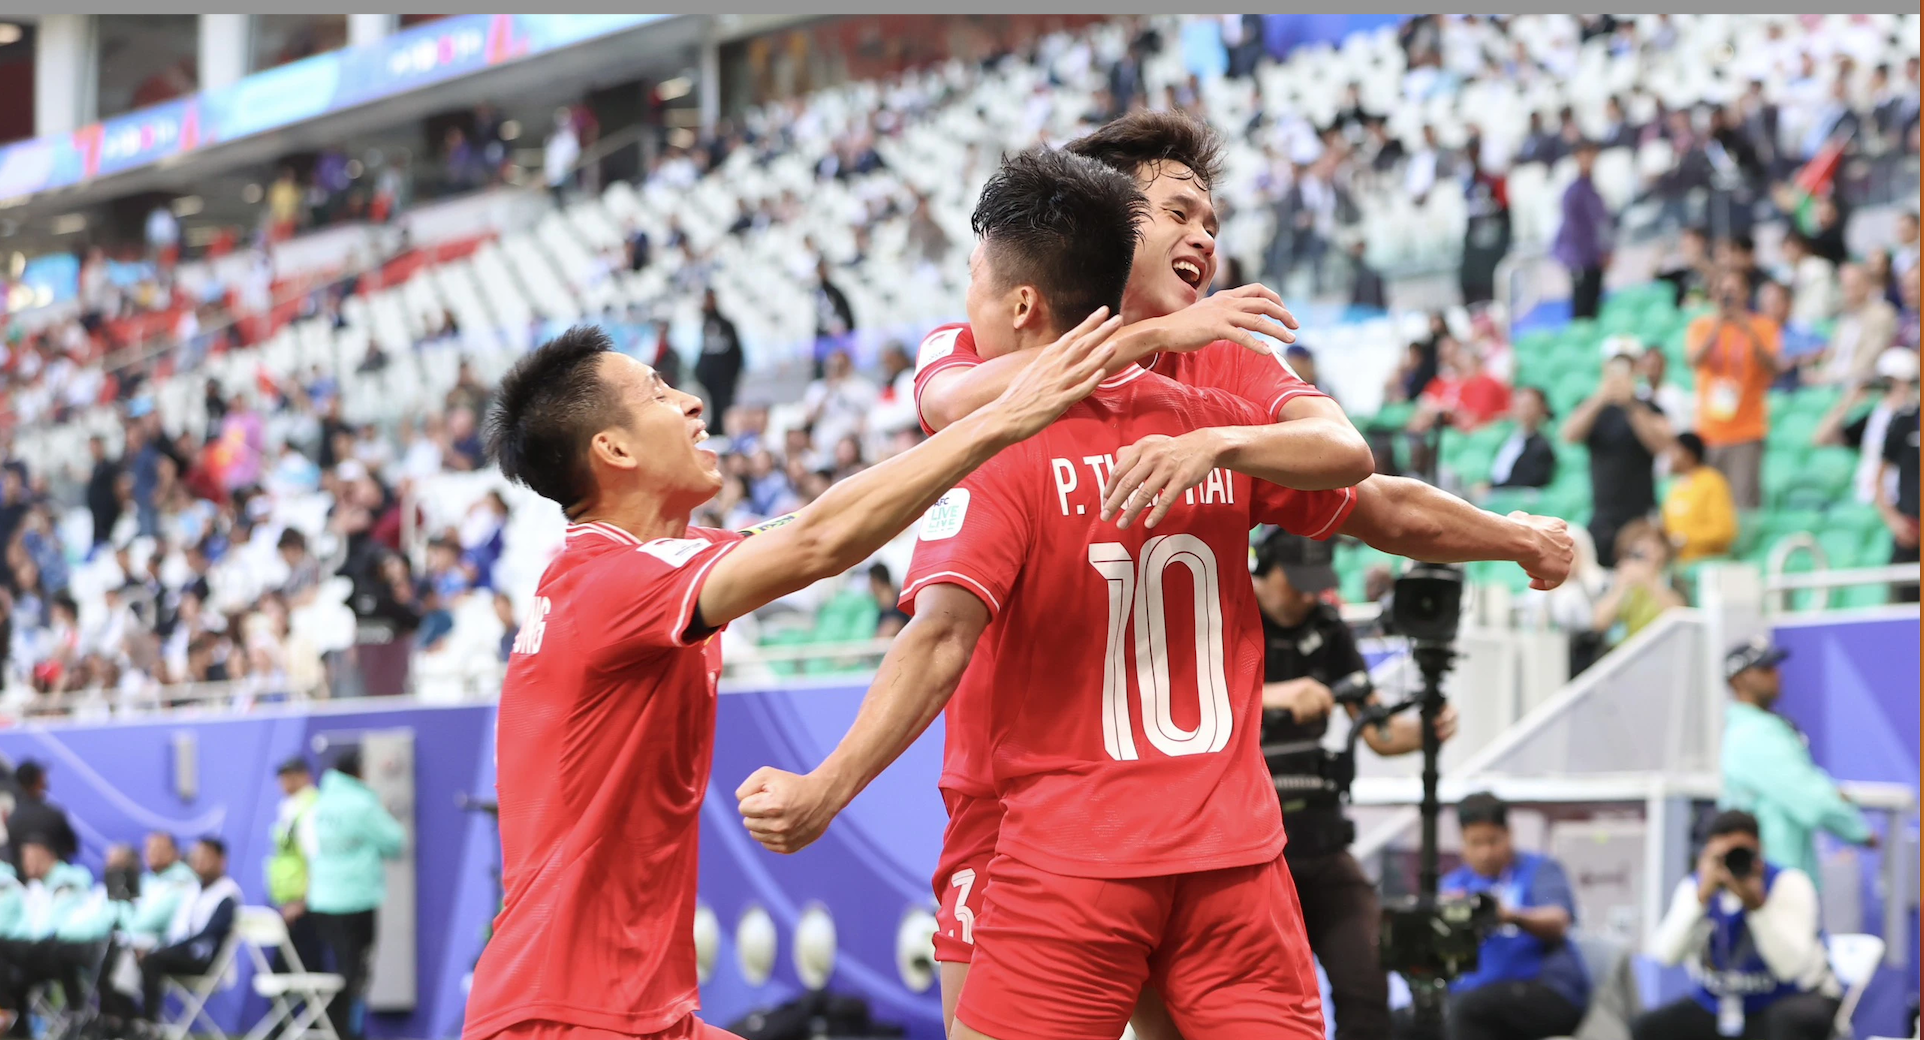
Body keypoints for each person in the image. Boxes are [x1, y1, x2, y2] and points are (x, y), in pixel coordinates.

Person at [733, 144, 1573, 1040]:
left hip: (1084, 842)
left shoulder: (1202, 393)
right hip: (1078, 819)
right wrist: (1152, 352)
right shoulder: (1006, 374)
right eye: (1177, 213)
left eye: (1211, 220)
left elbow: (1364, 482)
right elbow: (957, 404)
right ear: (1110, 227)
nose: (1203, 237)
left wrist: (1513, 536)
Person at [458, 267, 1121, 1038]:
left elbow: (813, 525)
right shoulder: (608, 585)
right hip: (567, 1015)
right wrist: (1000, 420)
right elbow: (819, 542)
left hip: (630, 1010)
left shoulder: (642, 567)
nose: (691, 401)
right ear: (613, 448)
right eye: (658, 393)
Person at [1254, 530, 1457, 1040]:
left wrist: (1424, 730)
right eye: (1294, 583)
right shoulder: (1221, 614)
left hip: (1321, 838)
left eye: (1315, 585)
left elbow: (1377, 733)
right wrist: (1278, 696)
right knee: (1263, 1001)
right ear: (1261, 567)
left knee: (1366, 986)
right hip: (1250, 847)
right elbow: (1190, 706)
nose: (1305, 595)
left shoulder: (1327, 627)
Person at [1634, 810, 1839, 1040]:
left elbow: (1791, 969)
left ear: (1759, 851)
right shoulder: (1695, 888)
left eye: (1741, 854)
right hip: (1719, 1004)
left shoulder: (1789, 884)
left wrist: (1758, 907)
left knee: (1787, 1024)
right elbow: (1665, 955)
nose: (1732, 864)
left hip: (1786, 999)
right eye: (1721, 857)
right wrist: (1699, 900)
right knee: (1649, 1027)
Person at [1420, 793, 1589, 1040]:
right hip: (1472, 995)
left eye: (1493, 841)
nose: (1485, 853)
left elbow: (1558, 921)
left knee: (1470, 1009)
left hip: (1542, 991)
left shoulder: (1540, 870)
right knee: (1408, 1019)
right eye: (1475, 843)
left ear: (1509, 833)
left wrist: (1509, 916)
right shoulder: (1454, 885)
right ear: (1462, 842)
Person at [1719, 637, 1876, 882]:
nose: (1776, 674)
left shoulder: (1753, 730)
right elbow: (1811, 798)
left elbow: (1808, 785)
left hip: (1775, 880)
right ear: (1739, 680)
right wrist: (1860, 832)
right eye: (1765, 669)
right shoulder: (1754, 734)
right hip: (1771, 883)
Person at [307, 750, 404, 1040]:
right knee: (354, 977)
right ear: (359, 770)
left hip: (320, 901)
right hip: (355, 903)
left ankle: (327, 1032)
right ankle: (349, 1034)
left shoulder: (320, 802)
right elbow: (396, 842)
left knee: (329, 976)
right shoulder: (362, 804)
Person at [1562, 355, 1674, 567]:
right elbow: (1569, 434)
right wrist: (1601, 397)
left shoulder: (1648, 407)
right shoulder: (1597, 409)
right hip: (1603, 515)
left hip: (1640, 515)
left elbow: (1662, 445)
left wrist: (1631, 404)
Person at [1687, 269, 1781, 509]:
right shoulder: (1702, 326)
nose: (1727, 297)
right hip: (1709, 431)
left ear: (1745, 293)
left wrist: (1747, 328)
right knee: (1713, 504)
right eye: (1722, 291)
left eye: (1733, 291)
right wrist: (1717, 327)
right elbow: (1693, 360)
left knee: (1743, 502)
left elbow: (1773, 366)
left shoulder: (1763, 325)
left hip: (1746, 430)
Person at [128, 838, 240, 1024]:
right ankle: (123, 1018)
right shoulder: (193, 889)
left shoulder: (228, 895)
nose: (199, 861)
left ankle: (149, 1025)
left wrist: (163, 950)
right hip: (178, 950)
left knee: (154, 959)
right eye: (197, 857)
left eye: (206, 857)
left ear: (221, 860)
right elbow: (177, 930)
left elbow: (208, 935)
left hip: (203, 960)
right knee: (131, 954)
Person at [265, 757, 324, 973]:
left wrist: (302, 901)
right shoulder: (288, 807)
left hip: (305, 905)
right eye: (282, 777)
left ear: (304, 776)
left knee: (307, 970)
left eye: (291, 776)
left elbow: (316, 859)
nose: (285, 782)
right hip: (290, 903)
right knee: (289, 971)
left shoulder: (311, 808)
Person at [1592, 520, 1685, 643]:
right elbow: (1598, 623)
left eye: (1653, 545)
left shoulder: (1674, 579)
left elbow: (1680, 614)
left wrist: (1650, 581)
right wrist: (1621, 587)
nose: (1647, 551)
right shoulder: (1617, 579)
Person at [1808, 263, 1899, 387]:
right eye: (1845, 285)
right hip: (1830, 380)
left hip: (1857, 383)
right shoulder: (1845, 317)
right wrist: (1819, 373)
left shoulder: (1882, 314)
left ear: (1867, 285)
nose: (1849, 289)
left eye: (1854, 284)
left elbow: (1869, 360)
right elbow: (1832, 354)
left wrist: (1828, 377)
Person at [1553, 140, 1612, 320]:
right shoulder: (1574, 191)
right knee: (1582, 308)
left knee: (1593, 308)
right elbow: (1573, 228)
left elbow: (1602, 224)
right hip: (1581, 258)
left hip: (1593, 258)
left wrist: (1606, 250)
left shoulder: (1592, 189)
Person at [1662, 433, 1738, 562]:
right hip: (1679, 562)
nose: (1670, 457)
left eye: (1674, 451)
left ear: (1688, 454)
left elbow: (1724, 531)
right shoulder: (1676, 485)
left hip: (1708, 562)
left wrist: (1686, 539)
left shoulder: (1712, 481)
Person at [1877, 376, 1920, 602]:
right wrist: (1894, 519)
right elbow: (1879, 478)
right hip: (1911, 534)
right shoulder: (1905, 421)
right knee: (1903, 611)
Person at [4, 761, 77, 869]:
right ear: (38, 780)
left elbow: (12, 854)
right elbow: (72, 847)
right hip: (54, 878)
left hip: (22, 882)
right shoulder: (53, 814)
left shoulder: (12, 819)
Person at [1489, 387, 1558, 490]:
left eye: (1528, 406)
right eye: (1520, 406)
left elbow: (1528, 482)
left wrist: (1492, 489)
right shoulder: (1507, 438)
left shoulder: (1541, 447)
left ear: (1542, 409)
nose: (1524, 411)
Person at [694, 290, 744, 421]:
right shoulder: (704, 324)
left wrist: (732, 375)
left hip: (724, 380)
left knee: (724, 409)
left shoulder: (726, 325)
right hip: (709, 380)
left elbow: (736, 352)